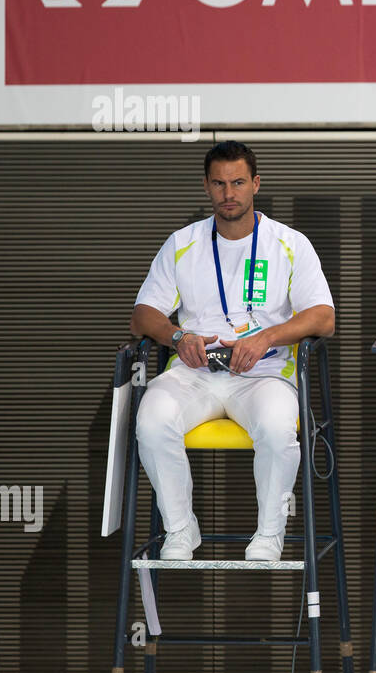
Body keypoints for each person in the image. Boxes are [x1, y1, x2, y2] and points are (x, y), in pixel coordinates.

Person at [131, 141, 335, 562]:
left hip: (263, 372)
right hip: (196, 372)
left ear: (255, 184)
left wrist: (266, 337)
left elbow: (322, 317)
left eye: (238, 182)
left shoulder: (290, 243)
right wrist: (177, 337)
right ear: (207, 186)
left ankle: (269, 534)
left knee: (280, 429)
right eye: (220, 184)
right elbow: (143, 315)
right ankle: (181, 530)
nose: (229, 193)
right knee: (151, 421)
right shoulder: (182, 243)